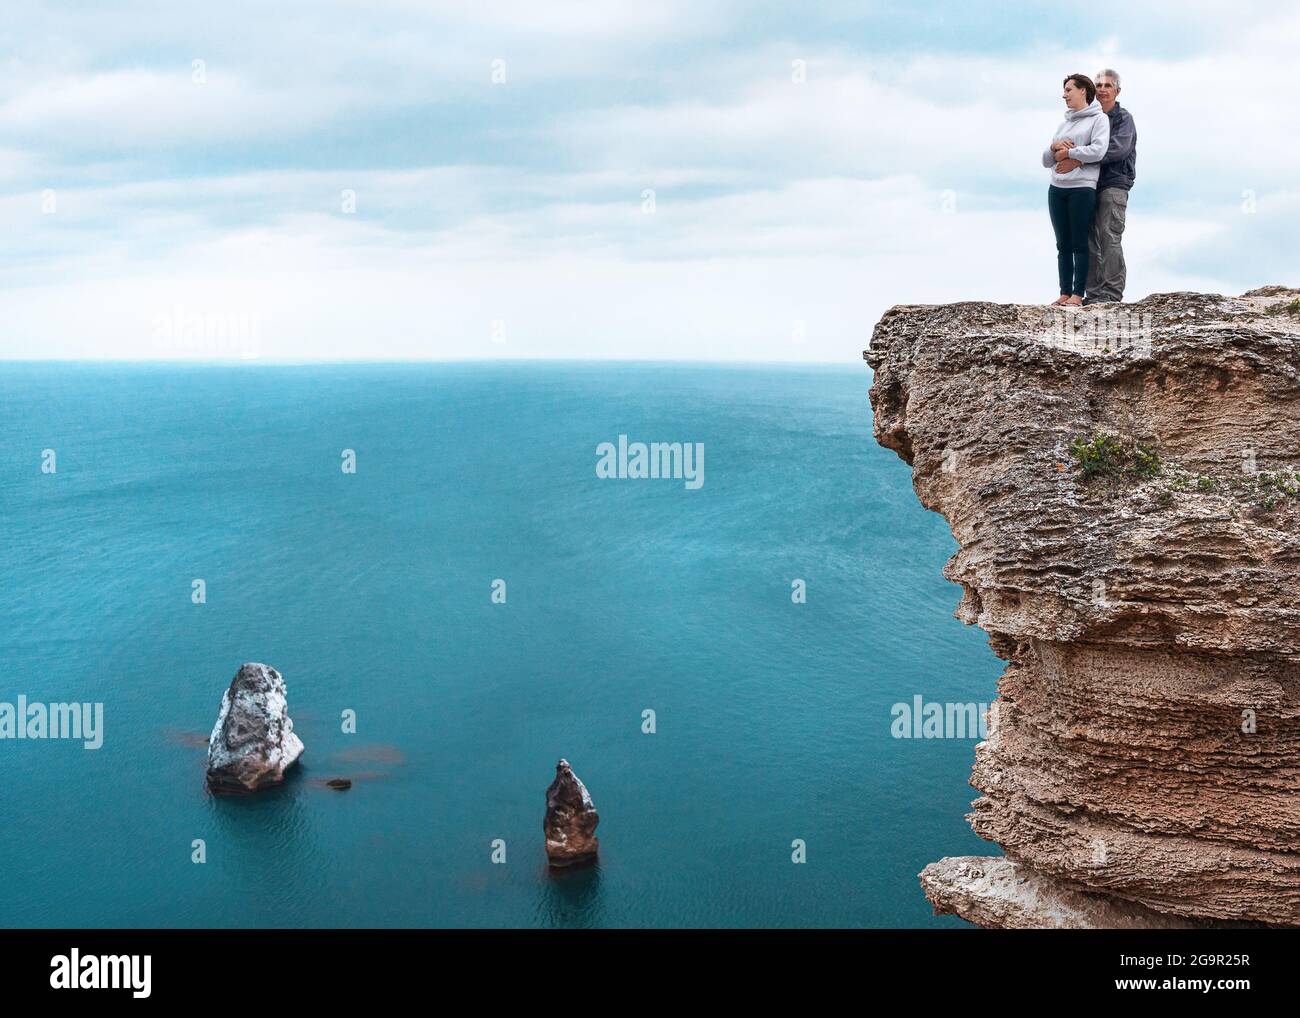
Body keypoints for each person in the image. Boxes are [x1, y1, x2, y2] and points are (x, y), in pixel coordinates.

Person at [1055, 69, 1137, 304]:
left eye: (1108, 85)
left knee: (1109, 236)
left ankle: (1111, 294)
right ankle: (1093, 293)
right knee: (1087, 238)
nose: (1102, 89)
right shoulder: (1087, 118)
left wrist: (1078, 159)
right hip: (1087, 184)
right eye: (1098, 84)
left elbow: (1117, 150)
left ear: (1117, 91)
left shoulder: (1123, 119)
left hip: (1113, 183)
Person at [1043, 74, 1110, 306]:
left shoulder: (1099, 119)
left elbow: (1099, 151)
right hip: (1056, 189)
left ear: (1083, 91)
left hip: (1082, 188)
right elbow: (1045, 161)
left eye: (1069, 90)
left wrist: (1070, 153)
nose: (1064, 95)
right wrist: (1054, 148)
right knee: (1062, 244)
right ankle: (1064, 292)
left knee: (1080, 242)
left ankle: (1077, 294)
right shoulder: (1064, 124)